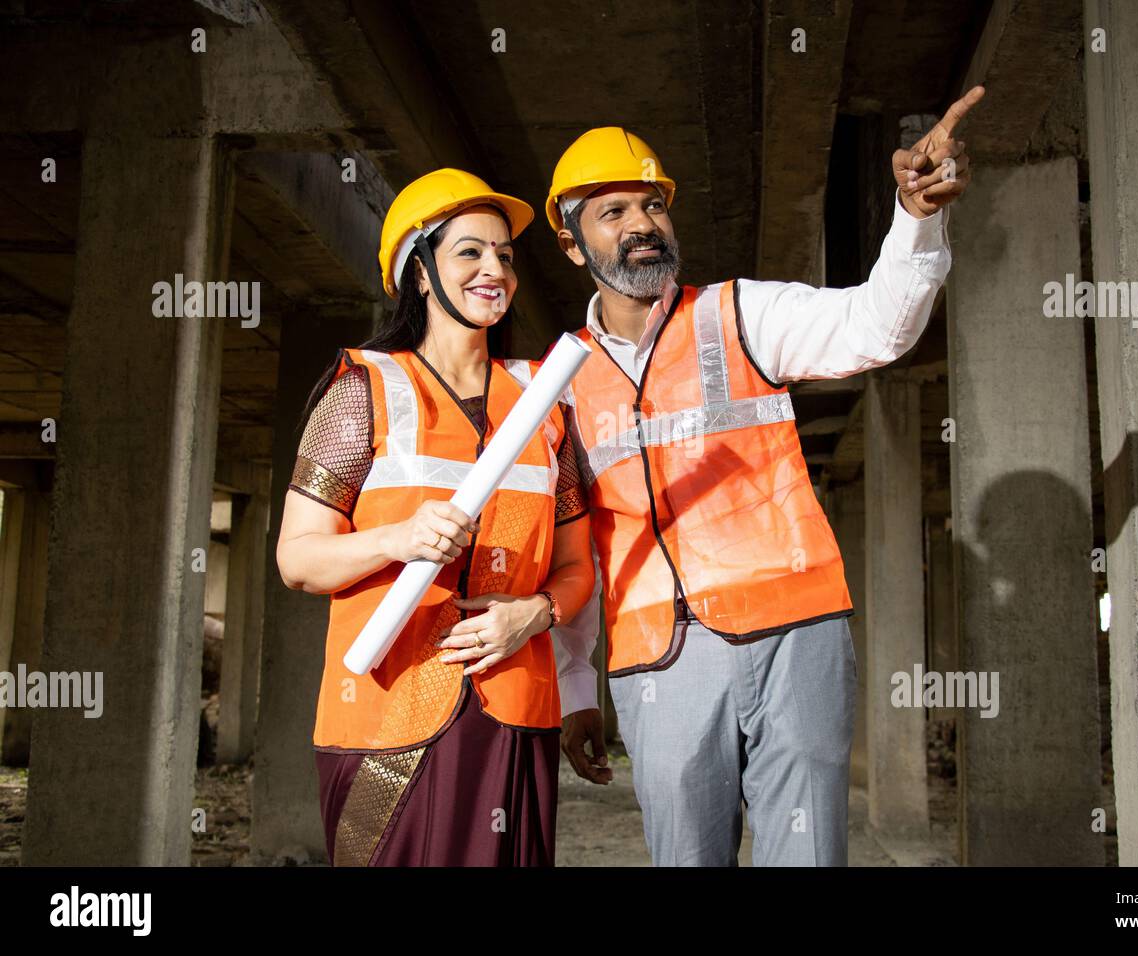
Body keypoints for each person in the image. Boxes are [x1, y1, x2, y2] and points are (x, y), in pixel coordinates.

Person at [546, 89, 983, 866]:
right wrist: (576, 686)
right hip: (659, 661)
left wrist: (915, 217)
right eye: (612, 212)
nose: (641, 223)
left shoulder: (740, 314)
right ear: (573, 244)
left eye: (652, 205)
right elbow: (576, 543)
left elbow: (878, 325)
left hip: (794, 634)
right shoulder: (559, 380)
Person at [276, 168, 594, 867]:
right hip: (384, 714)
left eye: (505, 256)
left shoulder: (544, 405)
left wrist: (533, 614)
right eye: (470, 252)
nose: (495, 270)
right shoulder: (362, 390)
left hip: (514, 710)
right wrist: (396, 538)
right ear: (420, 273)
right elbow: (298, 561)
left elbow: (578, 570)